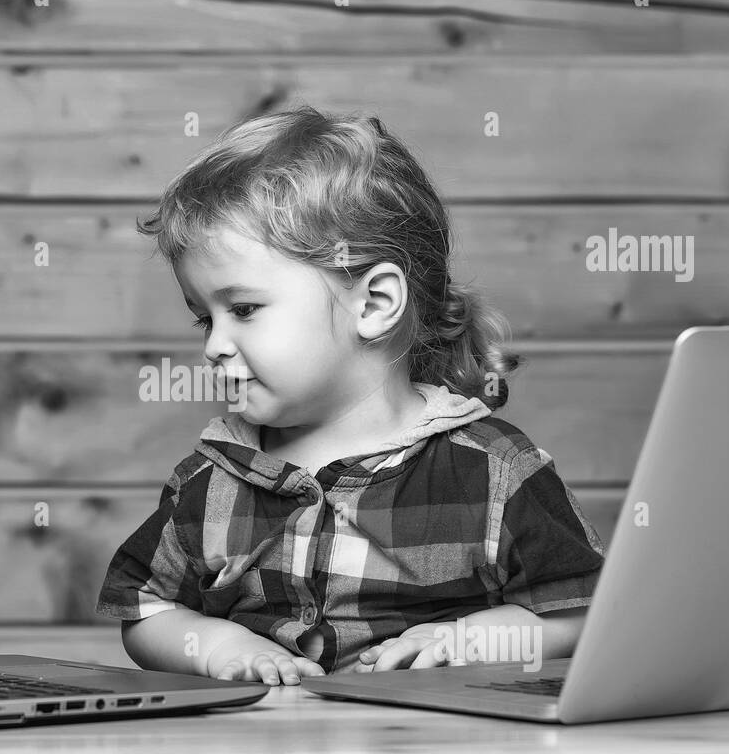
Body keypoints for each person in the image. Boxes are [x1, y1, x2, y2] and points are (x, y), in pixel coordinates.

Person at [95, 105, 605, 685]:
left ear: (374, 304)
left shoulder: (493, 471)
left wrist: (465, 639)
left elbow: (579, 609)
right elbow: (145, 608)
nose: (215, 345)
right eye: (204, 319)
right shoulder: (211, 480)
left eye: (242, 310)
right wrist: (215, 645)